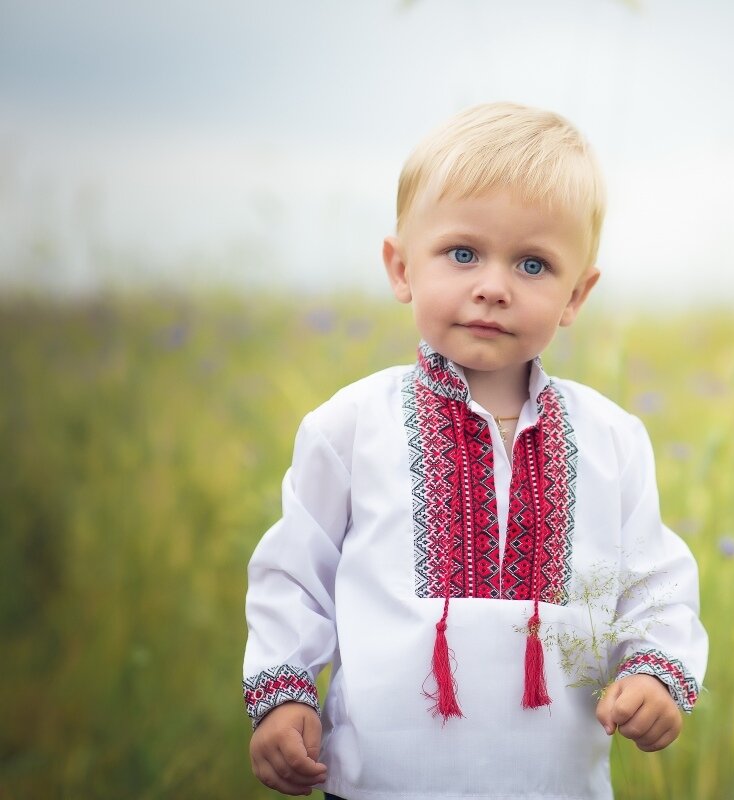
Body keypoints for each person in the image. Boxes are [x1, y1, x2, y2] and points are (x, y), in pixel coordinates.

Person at [242, 101, 707, 799]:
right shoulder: (351, 425)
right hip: (379, 782)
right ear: (401, 268)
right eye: (462, 253)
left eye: (533, 264)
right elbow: (293, 578)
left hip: (555, 784)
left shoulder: (611, 440)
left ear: (577, 294)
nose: (493, 286)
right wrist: (284, 696)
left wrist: (654, 672)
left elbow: (655, 583)